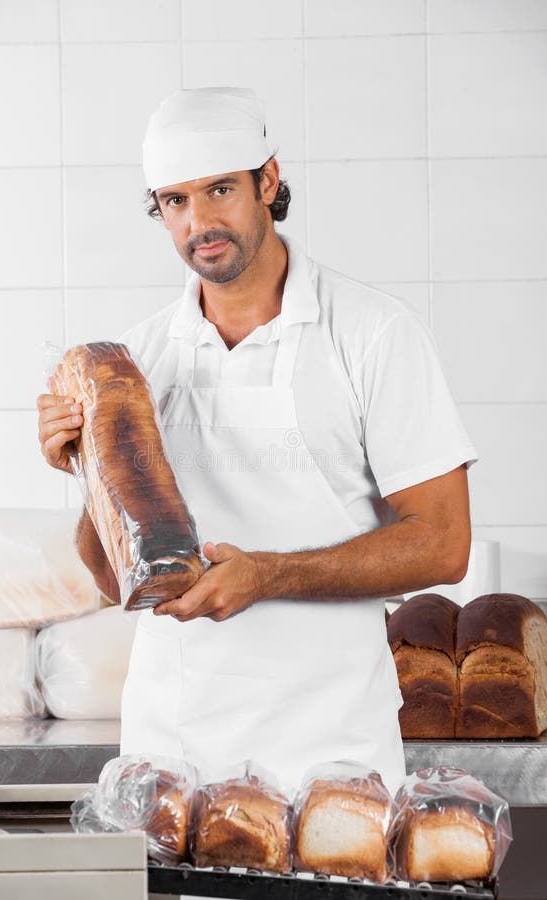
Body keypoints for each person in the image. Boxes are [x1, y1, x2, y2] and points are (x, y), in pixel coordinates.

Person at [37, 87, 476, 797]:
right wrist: (84, 471)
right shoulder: (142, 357)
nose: (199, 223)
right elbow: (115, 577)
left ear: (268, 181)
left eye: (218, 190)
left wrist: (267, 574)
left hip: (331, 751)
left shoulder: (372, 334)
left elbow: (444, 543)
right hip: (174, 747)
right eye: (174, 201)